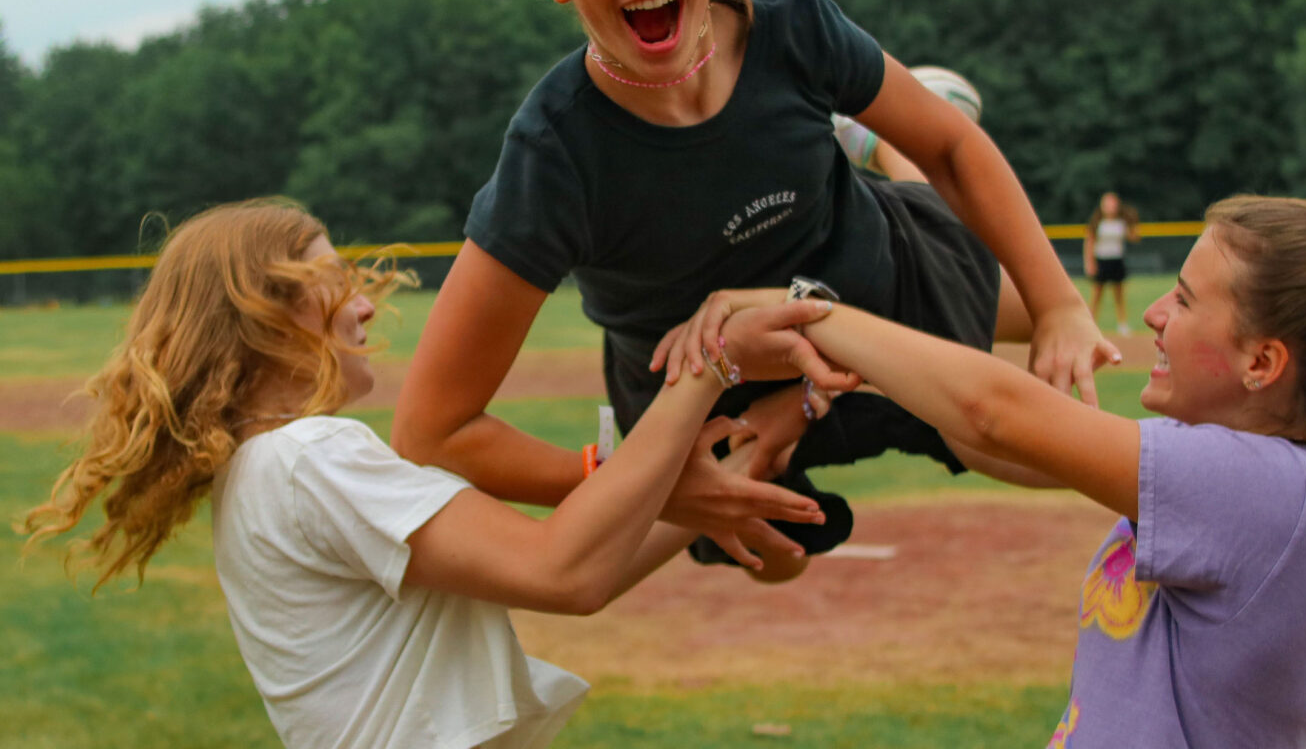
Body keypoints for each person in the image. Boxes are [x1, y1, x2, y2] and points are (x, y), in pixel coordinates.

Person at [694, 19, 1306, 747]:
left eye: (1182, 300)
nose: (1153, 319)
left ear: (1263, 363)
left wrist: (803, 309)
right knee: (946, 297)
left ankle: (898, 141)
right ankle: (894, 141)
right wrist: (819, 401)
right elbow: (1006, 445)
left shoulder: (1277, 498)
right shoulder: (1259, 472)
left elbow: (993, 417)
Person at [392, 0, 1116, 578]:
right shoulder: (554, 156)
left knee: (1036, 441)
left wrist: (1060, 308)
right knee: (777, 561)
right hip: (715, 397)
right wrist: (644, 479)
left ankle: (866, 145)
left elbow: (948, 142)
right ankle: (856, 143)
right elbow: (432, 431)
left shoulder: (789, 20)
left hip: (881, 295)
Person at [21, 199, 840, 749]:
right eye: (332, 280)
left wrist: (772, 429)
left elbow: (595, 562)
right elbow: (565, 569)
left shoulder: (267, 468)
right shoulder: (312, 458)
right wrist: (710, 366)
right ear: (265, 314)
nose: (366, 304)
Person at [1083, 191, 1140, 335]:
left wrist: (1133, 225)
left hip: (1117, 260)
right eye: (1107, 204)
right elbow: (1089, 243)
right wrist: (1090, 263)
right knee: (1096, 296)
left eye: (1112, 204)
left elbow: (1134, 238)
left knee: (1119, 296)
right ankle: (1090, 325)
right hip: (1102, 260)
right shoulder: (1097, 223)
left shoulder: (1122, 222)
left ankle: (1122, 324)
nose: (1110, 207)